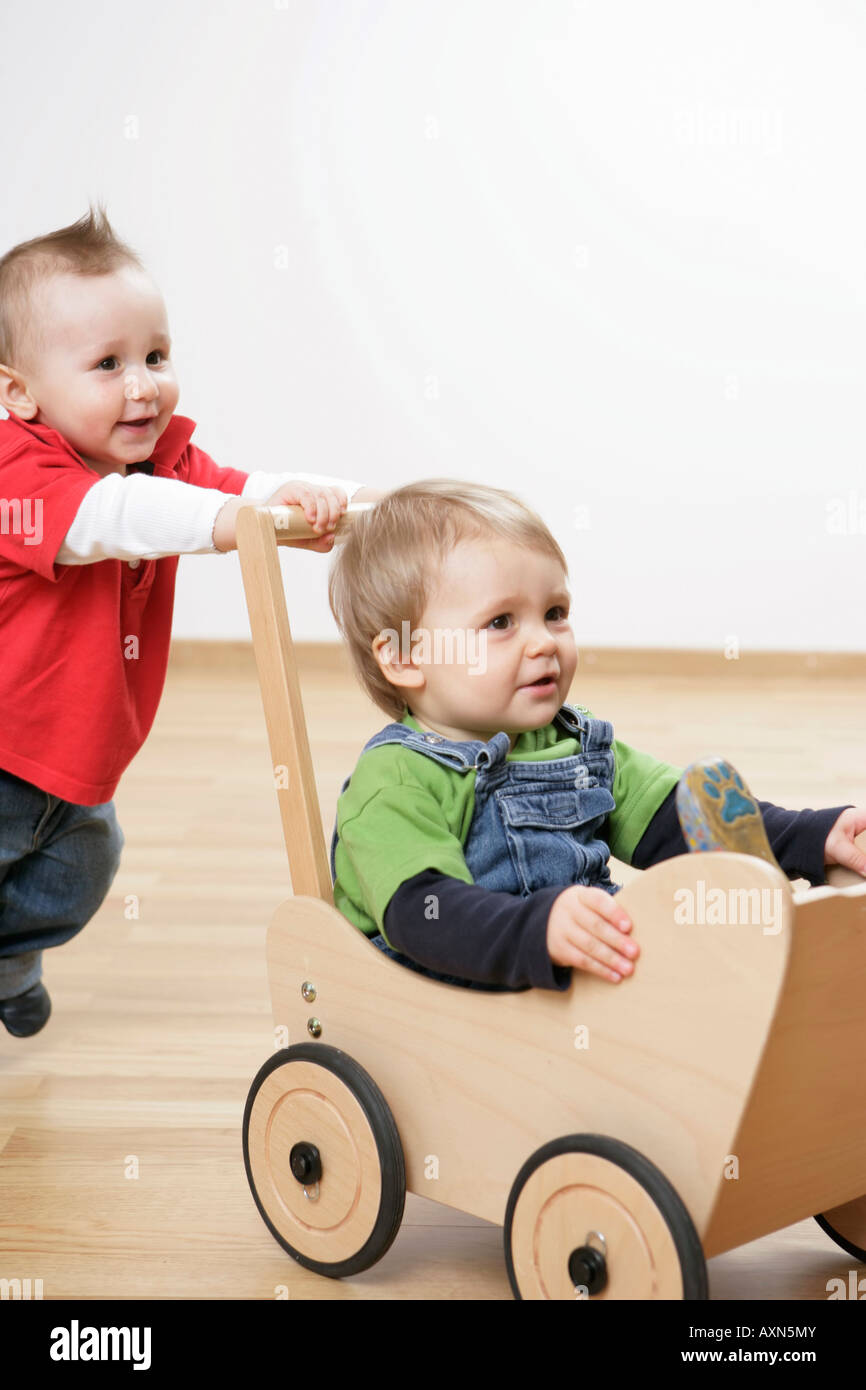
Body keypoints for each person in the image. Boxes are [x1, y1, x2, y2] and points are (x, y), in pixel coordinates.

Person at [0, 206, 381, 1035]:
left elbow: (241, 488)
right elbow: (112, 518)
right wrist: (228, 520)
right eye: (107, 364)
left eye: (155, 356)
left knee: (85, 866)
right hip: (5, 745)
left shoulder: (162, 457)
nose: (142, 384)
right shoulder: (18, 472)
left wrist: (326, 504)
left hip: (79, 751)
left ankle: (10, 956)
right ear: (18, 391)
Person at [328, 479, 866, 992]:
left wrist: (808, 836)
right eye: (501, 623)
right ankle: (739, 951)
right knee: (679, 968)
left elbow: (670, 815)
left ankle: (750, 904)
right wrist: (536, 928)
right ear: (404, 657)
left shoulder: (575, 743)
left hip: (588, 960)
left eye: (555, 613)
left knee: (681, 893)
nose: (543, 642)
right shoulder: (394, 780)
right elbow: (426, 912)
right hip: (476, 991)